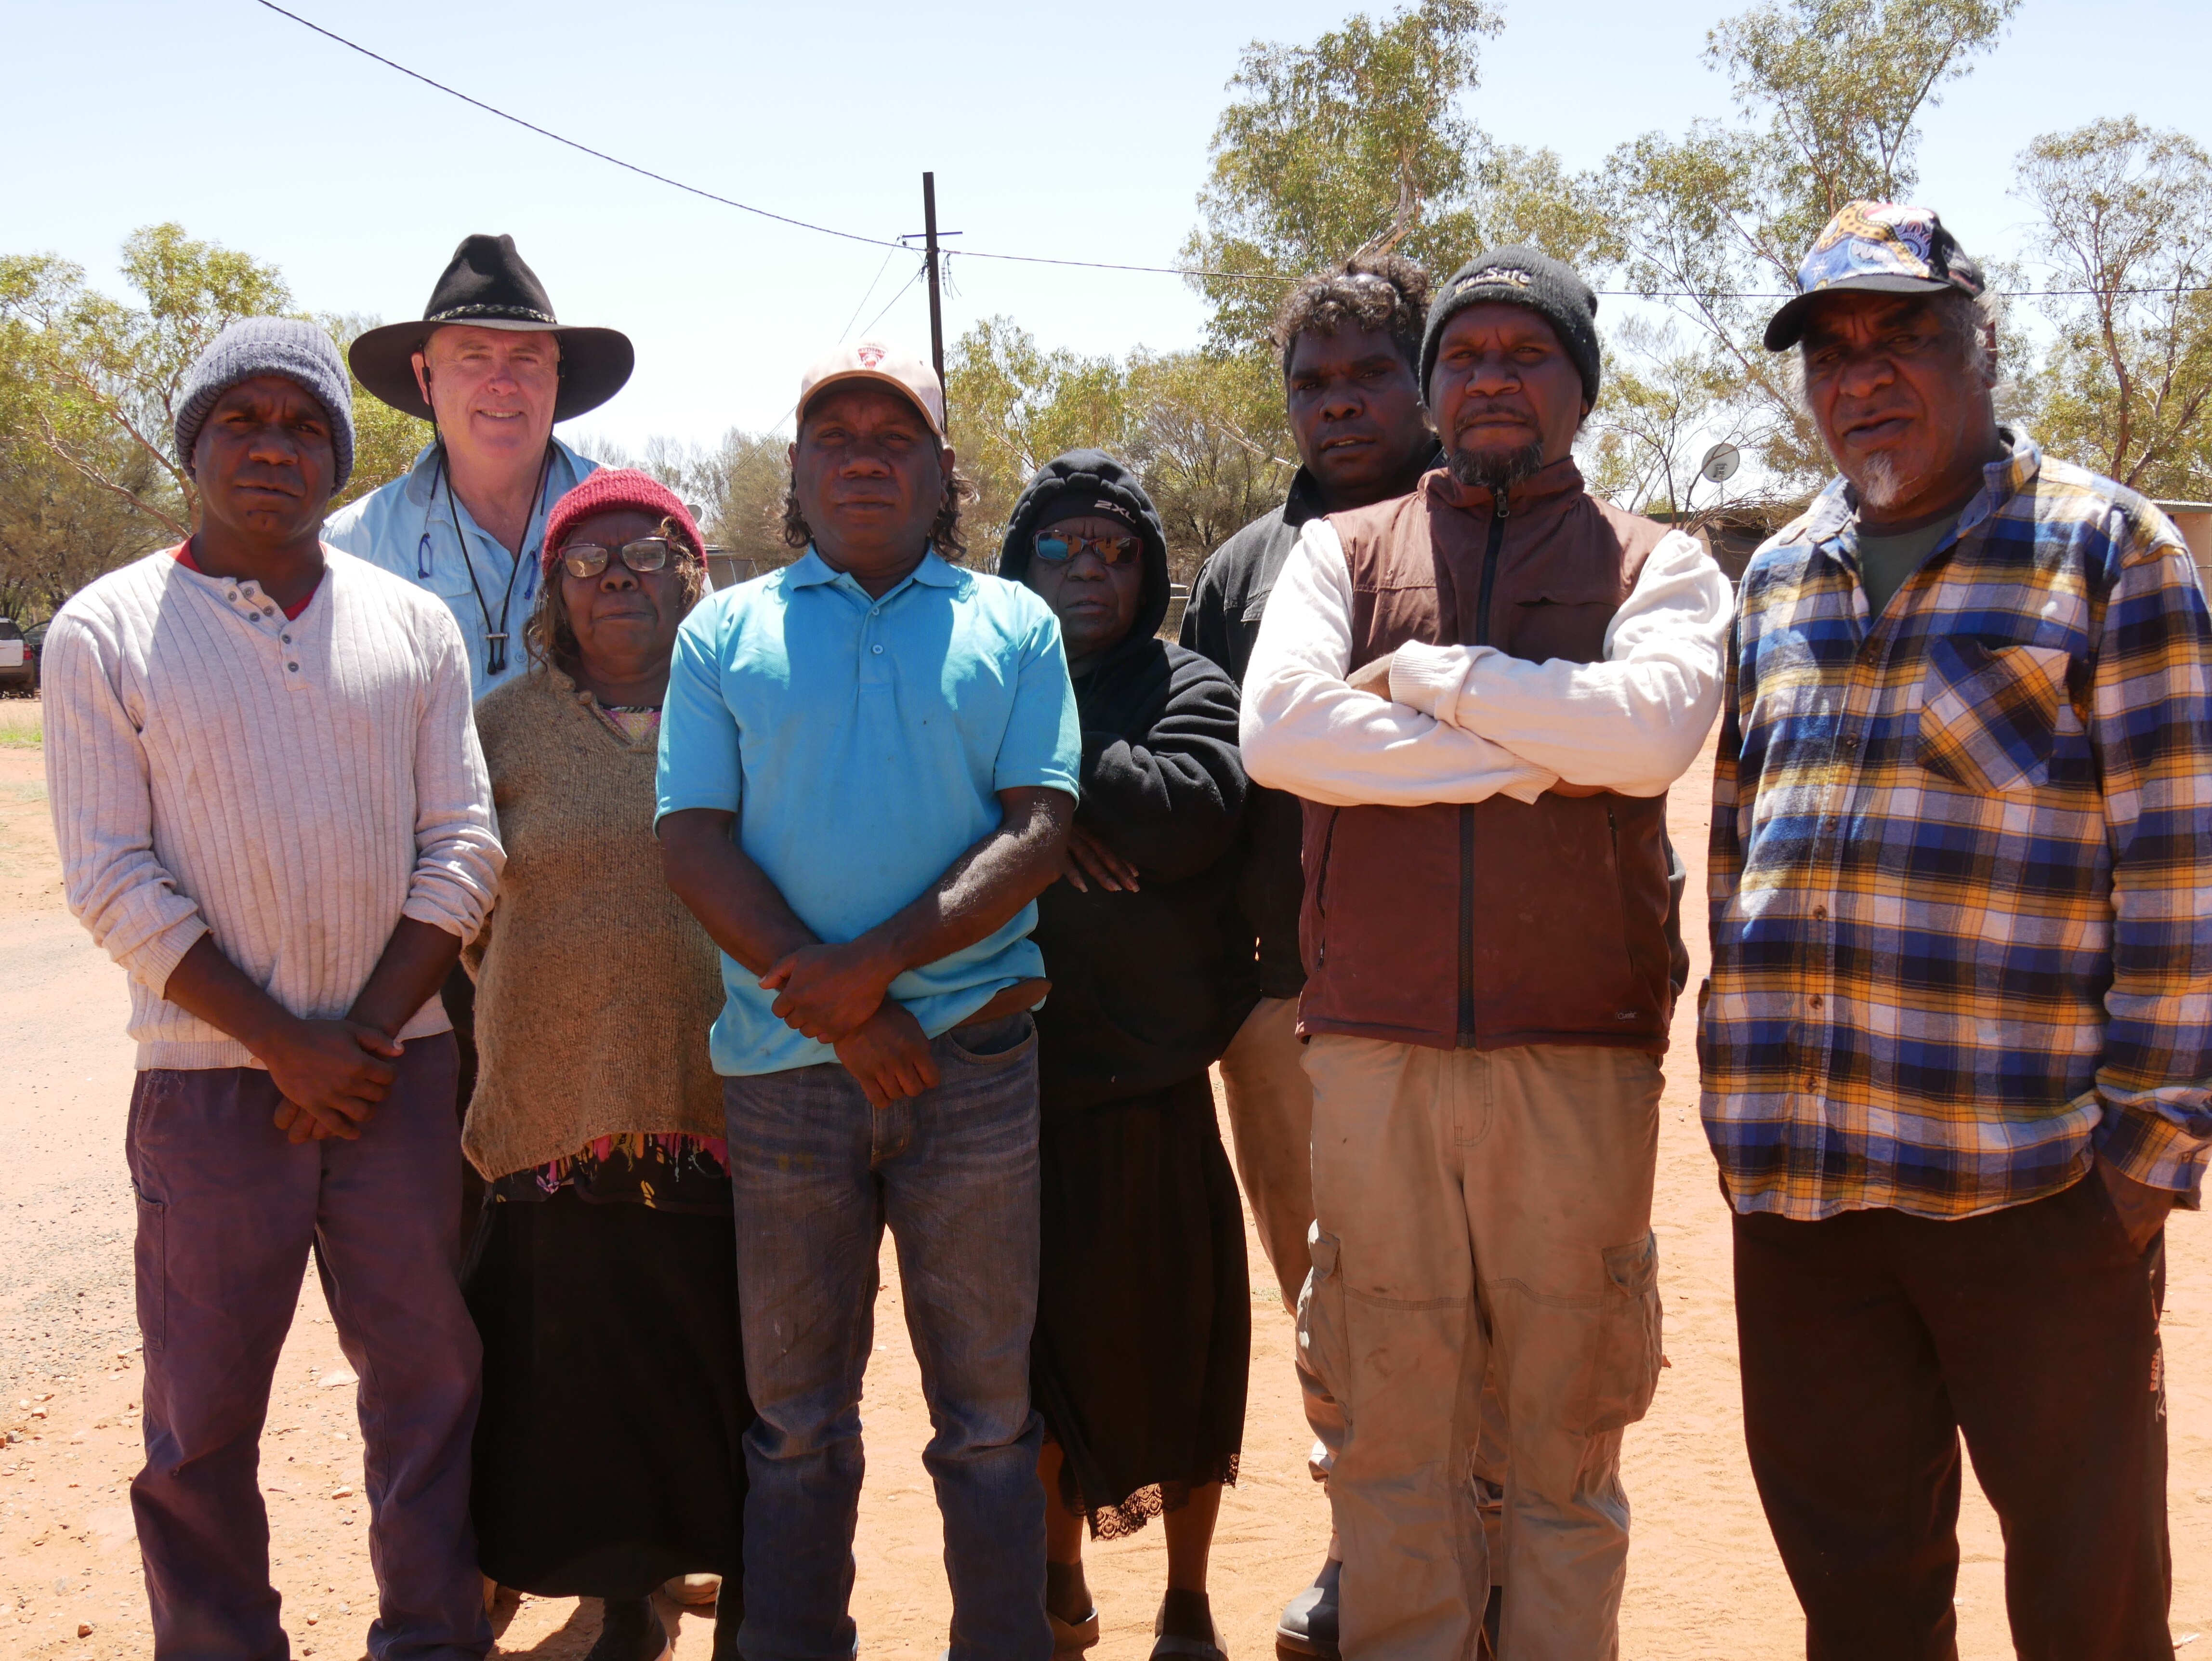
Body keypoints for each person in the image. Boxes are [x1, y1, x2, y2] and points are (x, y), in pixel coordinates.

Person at [1704, 201, 2212, 1658]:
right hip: (1806, 1198)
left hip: (2035, 1190)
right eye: (1832, 352)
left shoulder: (2105, 550)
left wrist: (2142, 1164)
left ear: (1979, 347)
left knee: (2090, 1596)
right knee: (1859, 1598)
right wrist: (1742, 1129)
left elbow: (2184, 868)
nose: (1863, 377)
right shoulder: (1781, 577)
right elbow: (1742, 851)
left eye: (1902, 337)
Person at [1239, 249, 1734, 1661]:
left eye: (1527, 353)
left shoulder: (1662, 564)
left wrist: (1444, 685)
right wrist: (1534, 757)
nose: (1493, 377)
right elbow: (1283, 737)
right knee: (1394, 1429)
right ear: (1436, 387)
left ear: (1580, 386)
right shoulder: (1344, 552)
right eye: (1466, 355)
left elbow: (1645, 736)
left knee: (1565, 1438)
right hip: (1373, 1048)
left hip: (1579, 1056)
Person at [42, 319, 503, 1661]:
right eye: (239, 422)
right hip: (206, 1090)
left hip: (395, 1077)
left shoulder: (411, 627)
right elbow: (110, 878)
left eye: (304, 426)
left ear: (336, 459)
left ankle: (431, 1635)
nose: (273, 447)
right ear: (192, 450)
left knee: (429, 1386)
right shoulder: (106, 632)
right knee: (201, 1418)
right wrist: (282, 1048)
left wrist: (352, 1041)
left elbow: (465, 844)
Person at [656, 340, 1080, 1661]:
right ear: (793, 469)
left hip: (975, 1064)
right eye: (832, 435)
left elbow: (1042, 827)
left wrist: (875, 973)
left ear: (943, 472)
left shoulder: (1015, 623)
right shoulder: (724, 629)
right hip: (785, 1077)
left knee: (990, 1419)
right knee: (795, 1424)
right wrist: (838, 1006)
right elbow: (692, 841)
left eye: (892, 437)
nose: (860, 456)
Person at [1177, 253, 1440, 1661]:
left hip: (1476, 1006)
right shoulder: (1242, 573)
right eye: (1311, 383)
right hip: (1286, 1005)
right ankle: (1364, 1545)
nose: (1337, 406)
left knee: (1474, 1291)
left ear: (1424, 380)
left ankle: (1489, 1551)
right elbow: (1206, 783)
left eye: (1367, 375)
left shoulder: (1489, 535)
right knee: (1325, 1292)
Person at [459, 470, 749, 1661]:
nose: (615, 576)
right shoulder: (501, 724)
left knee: (713, 1361)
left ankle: (725, 1572)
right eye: (586, 561)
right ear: (553, 594)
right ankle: (622, 1590)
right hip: (556, 1099)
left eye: (644, 553)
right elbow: (463, 896)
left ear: (693, 574)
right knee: (582, 1369)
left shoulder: (746, 703)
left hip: (725, 1097)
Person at [999, 451, 1252, 1661]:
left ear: (1150, 570)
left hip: (1153, 1085)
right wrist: (1064, 824)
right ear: (1019, 560)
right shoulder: (976, 675)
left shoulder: (1186, 679)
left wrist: (1048, 780)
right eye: (1061, 546)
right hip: (1010, 1085)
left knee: (1184, 1350)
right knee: (1036, 1362)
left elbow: (1190, 810)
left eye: (1115, 549)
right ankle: (1057, 1586)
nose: (1089, 568)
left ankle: (1187, 1599)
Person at [326, 231, 630, 1218]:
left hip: (591, 931)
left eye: (526, 358)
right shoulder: (346, 552)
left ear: (557, 380)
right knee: (433, 1217)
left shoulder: (632, 533)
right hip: (409, 946)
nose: (502, 383)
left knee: (597, 1214)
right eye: (473, 356)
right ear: (423, 375)